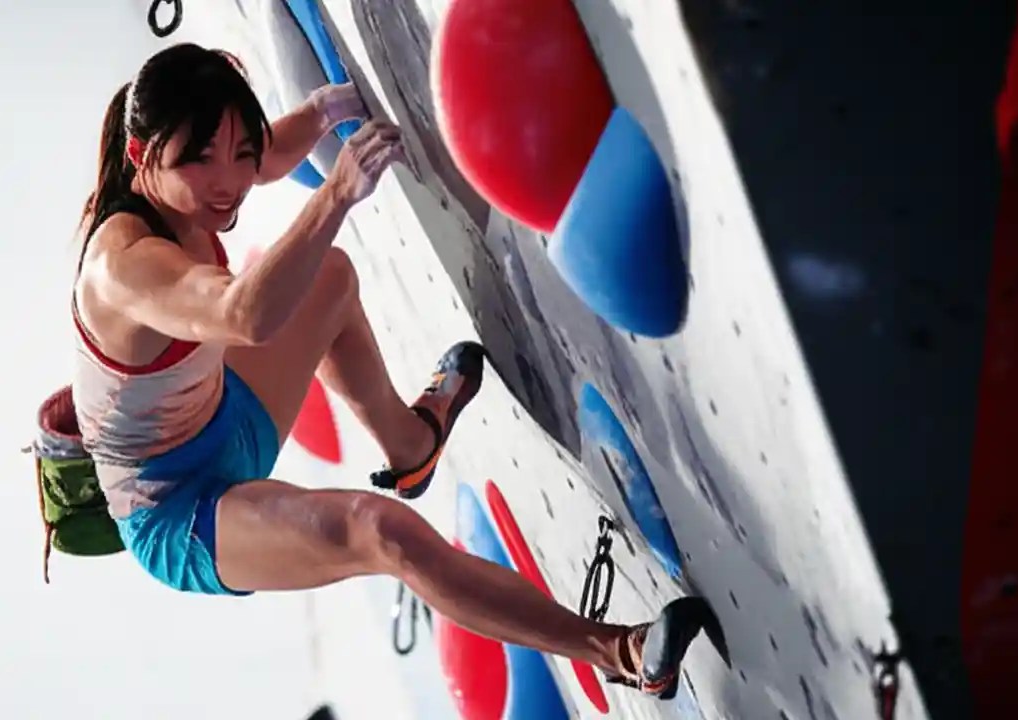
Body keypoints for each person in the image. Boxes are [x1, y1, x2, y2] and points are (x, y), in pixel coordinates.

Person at [66, 41, 717, 696]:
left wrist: (325, 108)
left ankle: (412, 447)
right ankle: (620, 651)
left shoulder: (185, 167)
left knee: (328, 276)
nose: (229, 181)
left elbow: (267, 157)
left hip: (222, 412)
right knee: (381, 533)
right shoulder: (120, 266)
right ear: (142, 158)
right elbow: (245, 315)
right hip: (180, 510)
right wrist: (339, 192)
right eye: (202, 160)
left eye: (239, 152)